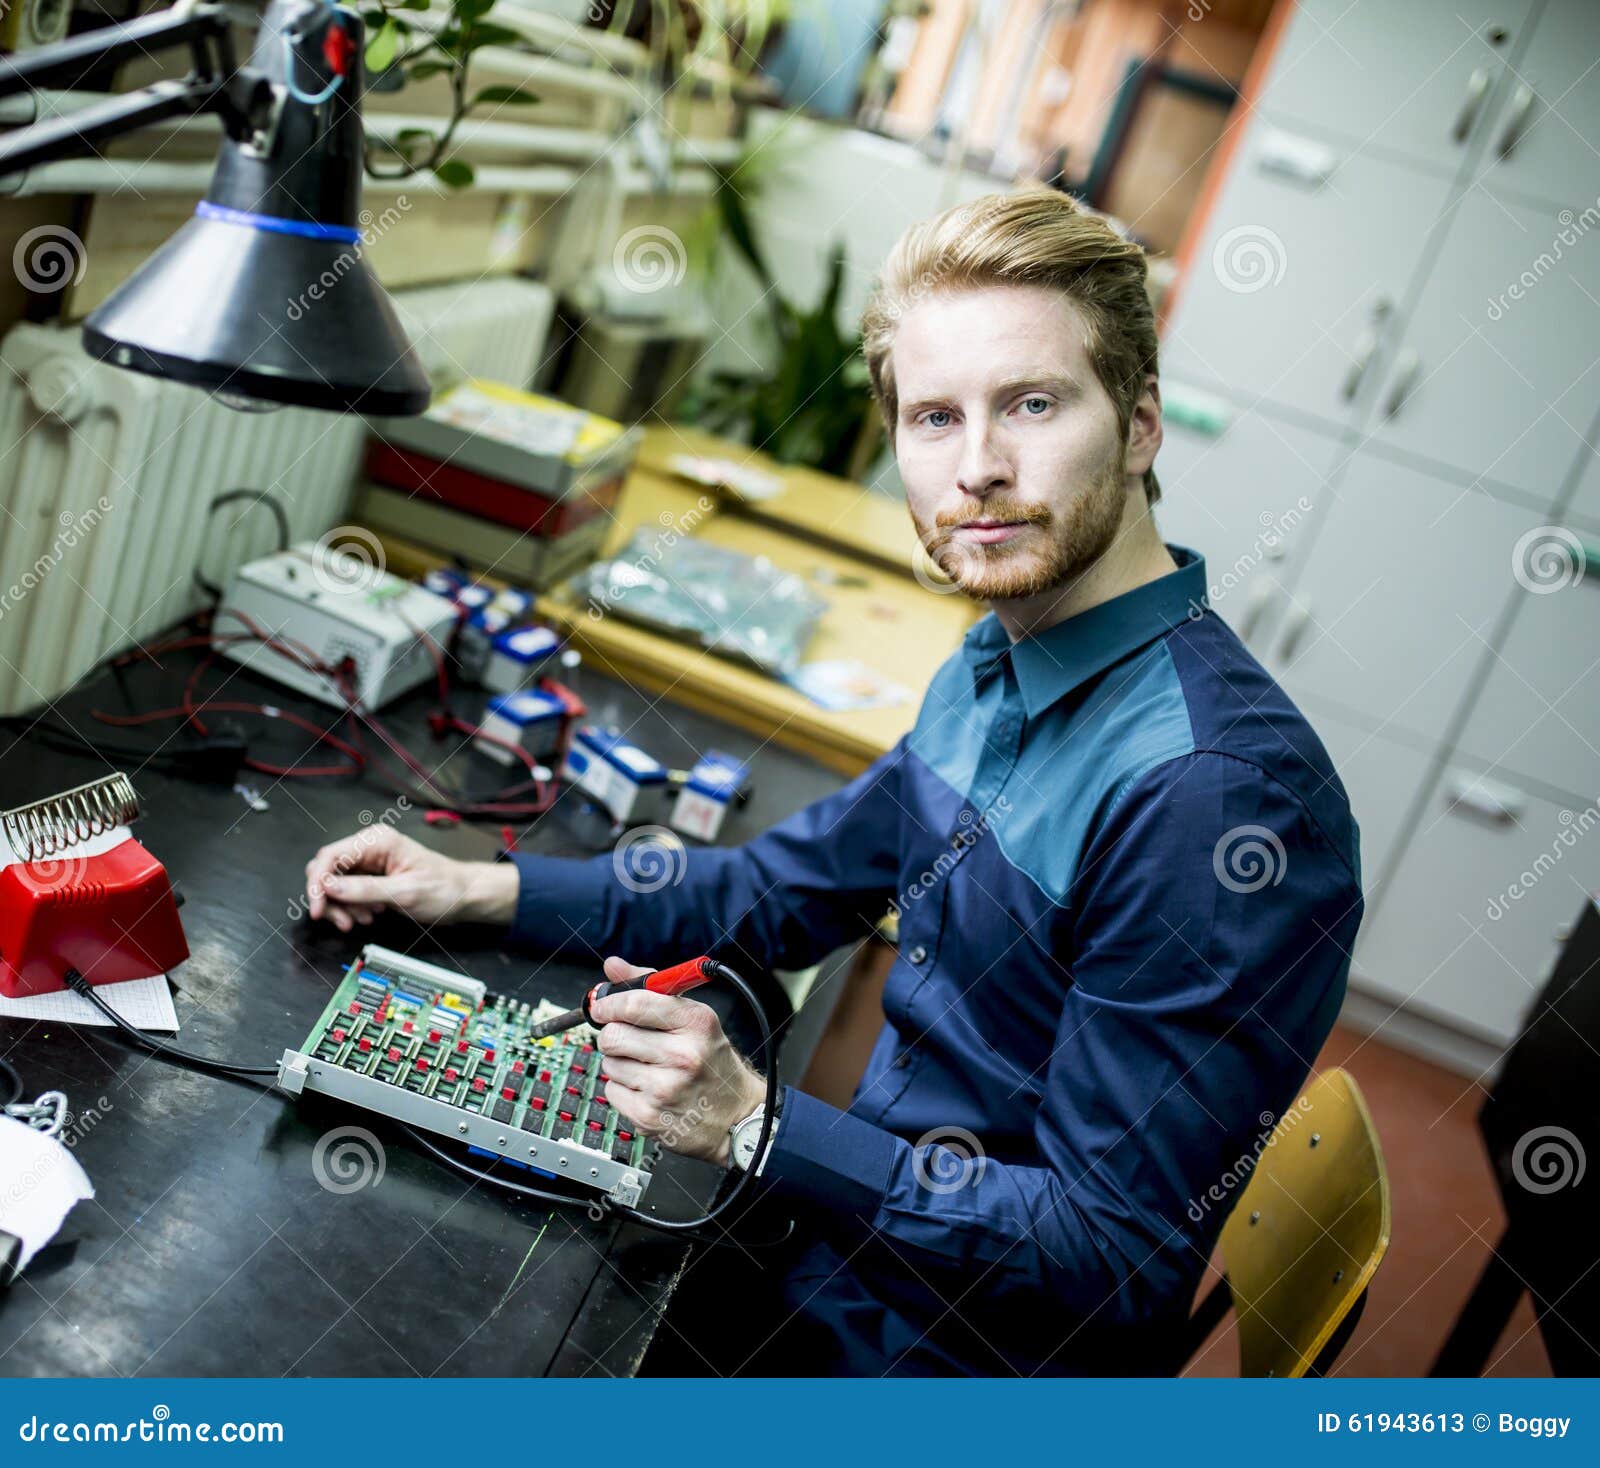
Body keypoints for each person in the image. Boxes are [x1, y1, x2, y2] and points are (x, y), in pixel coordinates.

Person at [303, 187, 1363, 1376]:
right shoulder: (995, 660)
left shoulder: (1217, 798)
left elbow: (1108, 1253)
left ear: (1140, 425)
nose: (979, 468)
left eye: (1032, 403)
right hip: (848, 1254)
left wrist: (754, 1121)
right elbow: (782, 888)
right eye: (932, 418)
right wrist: (481, 890)